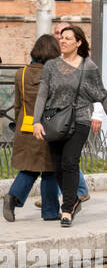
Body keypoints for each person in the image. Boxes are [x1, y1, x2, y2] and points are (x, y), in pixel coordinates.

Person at [32, 25, 107, 227]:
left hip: (80, 119)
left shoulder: (88, 66)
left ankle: (67, 208)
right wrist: (37, 121)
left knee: (70, 161)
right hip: (54, 122)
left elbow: (101, 93)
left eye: (68, 38)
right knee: (57, 164)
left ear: (78, 43)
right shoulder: (51, 66)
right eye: (61, 38)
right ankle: (75, 200)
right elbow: (43, 95)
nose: (62, 41)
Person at [4, 35, 63, 222]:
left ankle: (13, 197)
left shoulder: (21, 73)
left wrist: (20, 124)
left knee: (30, 167)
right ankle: (50, 211)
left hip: (25, 125)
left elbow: (17, 105)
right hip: (45, 128)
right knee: (50, 169)